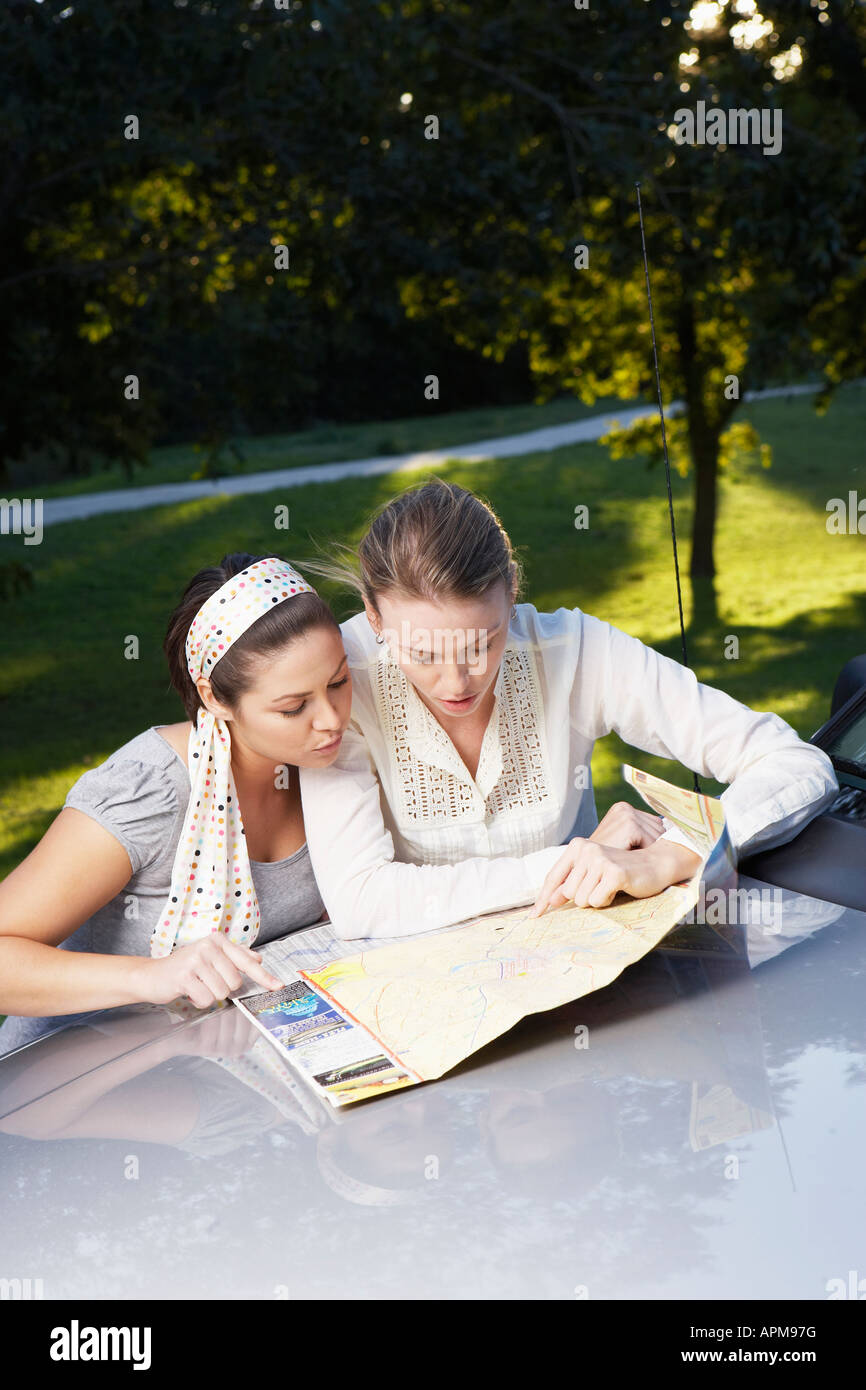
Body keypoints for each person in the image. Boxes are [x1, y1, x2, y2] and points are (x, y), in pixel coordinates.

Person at [298, 479, 838, 940]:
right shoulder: (340, 680)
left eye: (482, 644)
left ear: (512, 592)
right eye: (421, 654)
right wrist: (565, 863)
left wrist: (674, 851)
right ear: (372, 616)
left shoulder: (578, 652)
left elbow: (797, 764)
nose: (456, 682)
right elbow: (360, 899)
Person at [0, 553, 353, 1054]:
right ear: (215, 698)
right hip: (67, 1078)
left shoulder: (328, 763)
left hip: (226, 1070)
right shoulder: (149, 793)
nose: (331, 720)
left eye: (339, 682)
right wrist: (152, 976)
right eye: (293, 707)